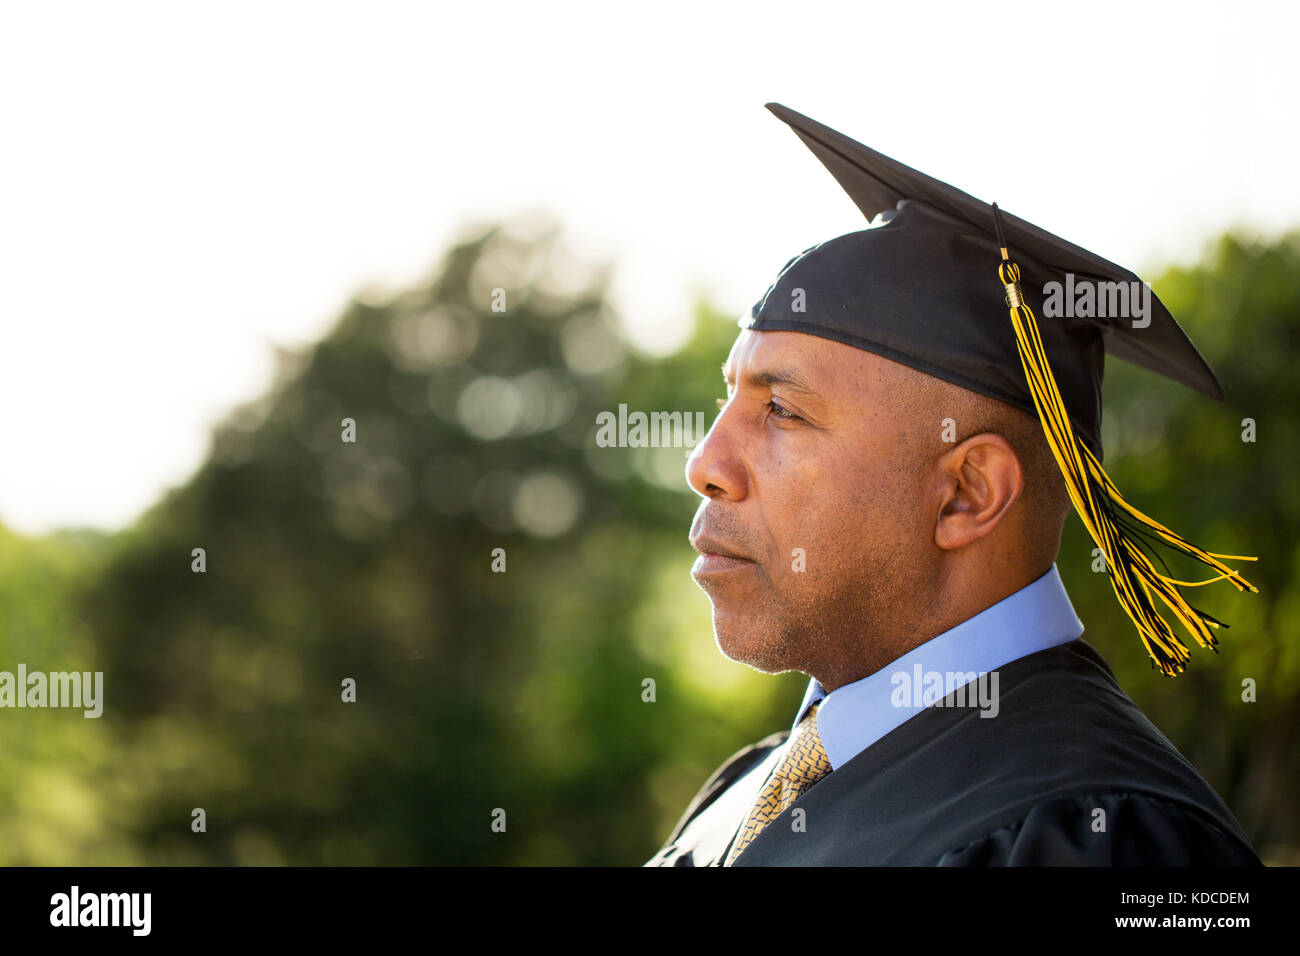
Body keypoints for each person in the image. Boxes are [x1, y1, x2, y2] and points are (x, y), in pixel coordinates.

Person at [644, 104, 1261, 867]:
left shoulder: (1099, 838)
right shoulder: (749, 788)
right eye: (725, 401)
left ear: (968, 493)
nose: (703, 463)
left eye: (781, 410)